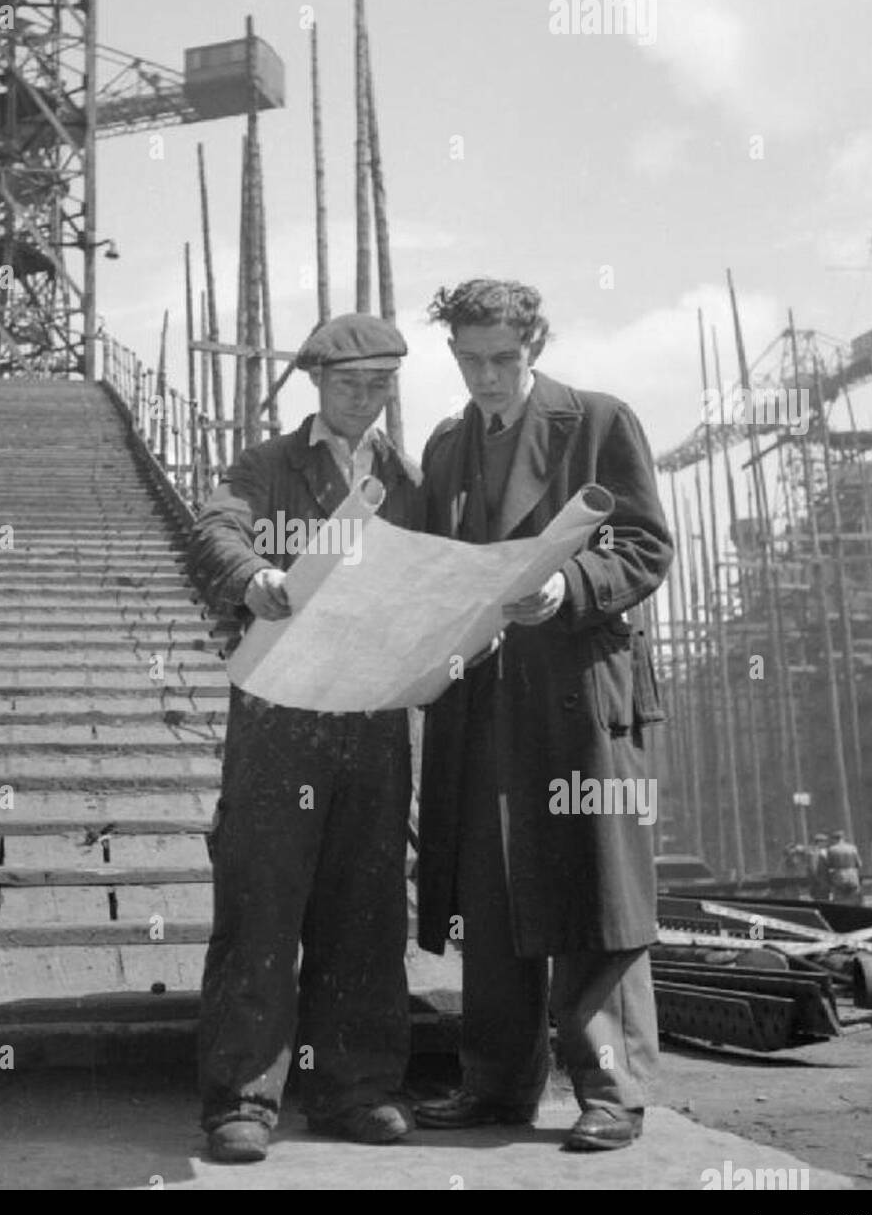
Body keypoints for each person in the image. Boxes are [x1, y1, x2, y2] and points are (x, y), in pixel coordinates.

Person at [411, 278, 673, 1151]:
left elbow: (645, 545)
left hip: (578, 694)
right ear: (453, 354)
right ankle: (496, 1084)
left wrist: (569, 585)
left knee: (597, 890)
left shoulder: (598, 422)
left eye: (504, 359)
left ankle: (611, 1091)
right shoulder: (448, 446)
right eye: (470, 359)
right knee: (489, 888)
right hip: (484, 695)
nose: (487, 377)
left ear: (536, 348)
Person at [187, 312, 423, 1164]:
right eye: (352, 382)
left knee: (365, 907)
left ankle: (354, 1090)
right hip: (281, 712)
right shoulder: (267, 466)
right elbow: (216, 530)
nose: (367, 398)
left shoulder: (408, 478)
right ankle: (243, 1100)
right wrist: (256, 578)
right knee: (262, 900)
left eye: (382, 383)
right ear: (317, 380)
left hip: (372, 714)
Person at [826, 830, 862, 904]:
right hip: (852, 876)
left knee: (840, 900)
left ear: (834, 839)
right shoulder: (852, 848)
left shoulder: (832, 849)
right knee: (854, 898)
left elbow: (829, 865)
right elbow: (859, 864)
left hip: (839, 876)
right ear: (843, 838)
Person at [808, 833, 832, 902]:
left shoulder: (817, 851)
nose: (826, 843)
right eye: (824, 841)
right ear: (819, 842)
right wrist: (817, 880)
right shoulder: (815, 853)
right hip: (820, 881)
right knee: (822, 900)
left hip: (821, 881)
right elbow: (813, 868)